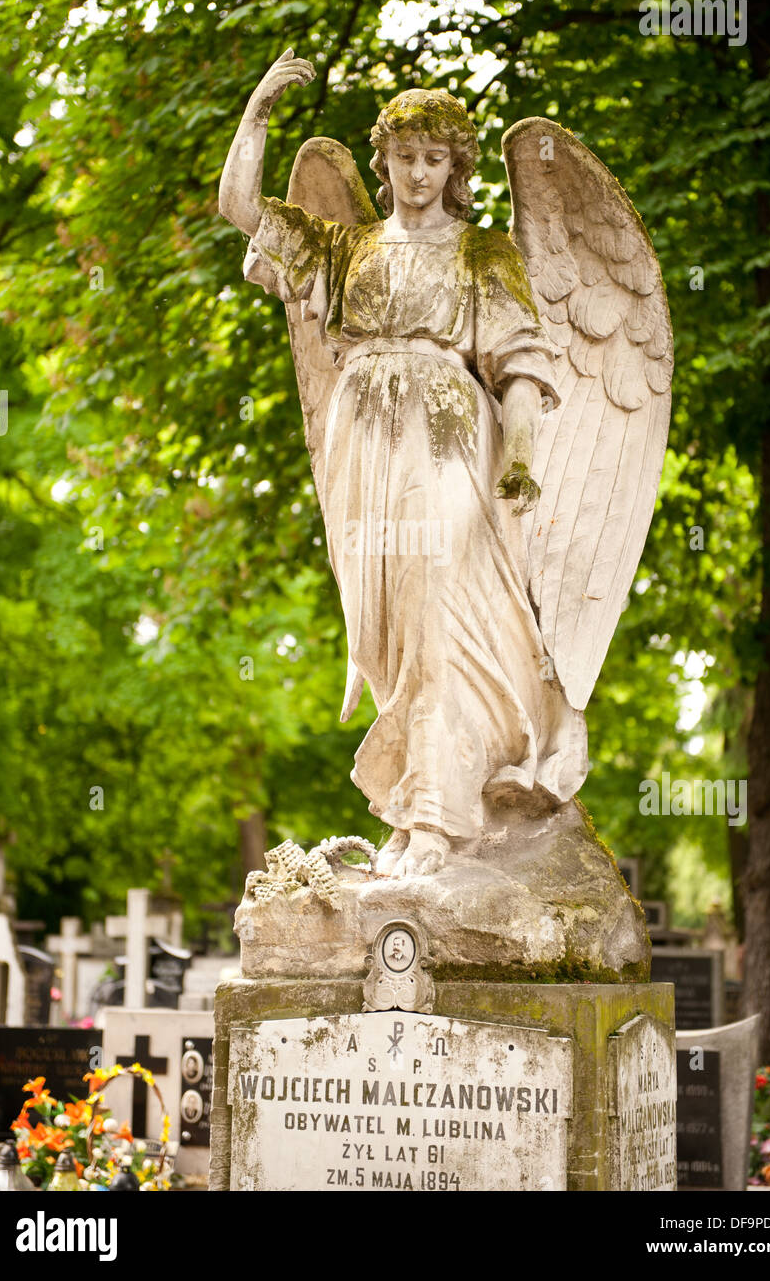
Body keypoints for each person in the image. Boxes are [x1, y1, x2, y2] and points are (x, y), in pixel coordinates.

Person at [219, 49, 586, 878]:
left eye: (435, 159)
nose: (418, 173)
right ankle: (417, 798)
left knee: (438, 612)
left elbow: (519, 365)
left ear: (454, 169)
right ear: (380, 162)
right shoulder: (343, 247)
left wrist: (520, 458)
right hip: (362, 440)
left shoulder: (483, 253)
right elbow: (238, 206)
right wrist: (258, 112)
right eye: (405, 156)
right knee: (386, 632)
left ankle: (437, 823)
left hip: (447, 433)